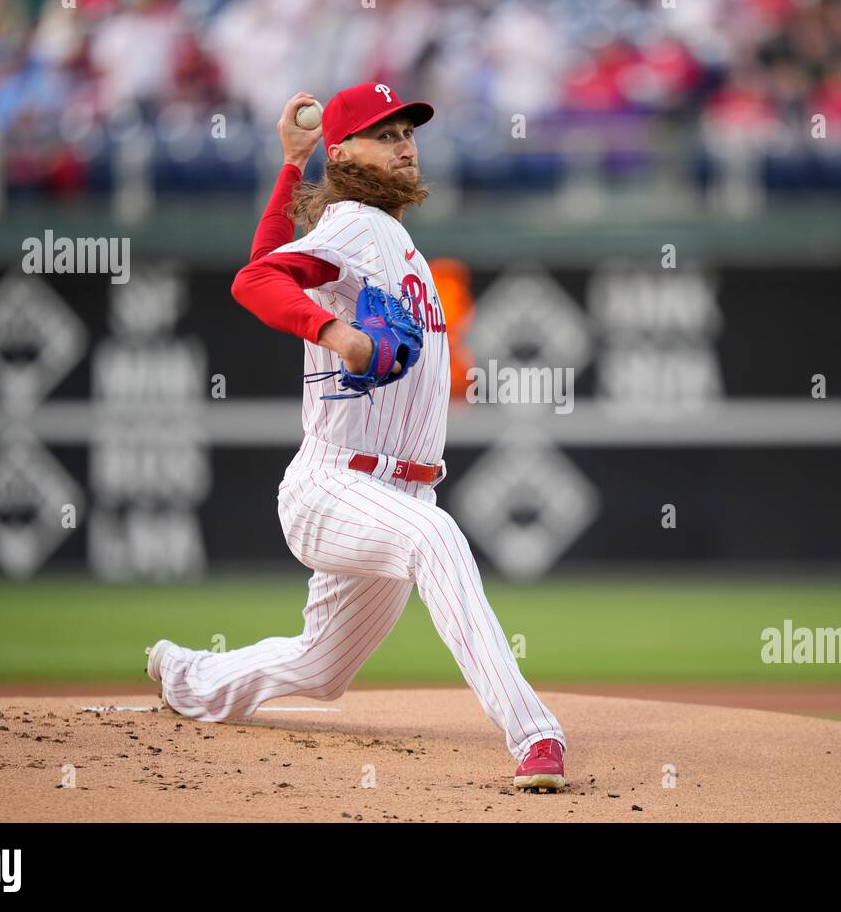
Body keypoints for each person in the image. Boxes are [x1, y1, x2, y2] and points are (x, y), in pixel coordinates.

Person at [146, 82, 567, 790]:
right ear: (343, 154)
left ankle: (188, 679)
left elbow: (274, 255)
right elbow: (256, 281)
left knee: (321, 669)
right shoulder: (355, 225)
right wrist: (337, 333)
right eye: (385, 134)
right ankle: (535, 735)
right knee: (436, 541)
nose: (406, 144)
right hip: (335, 485)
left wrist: (289, 166)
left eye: (408, 132)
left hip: (393, 492)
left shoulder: (387, 237)